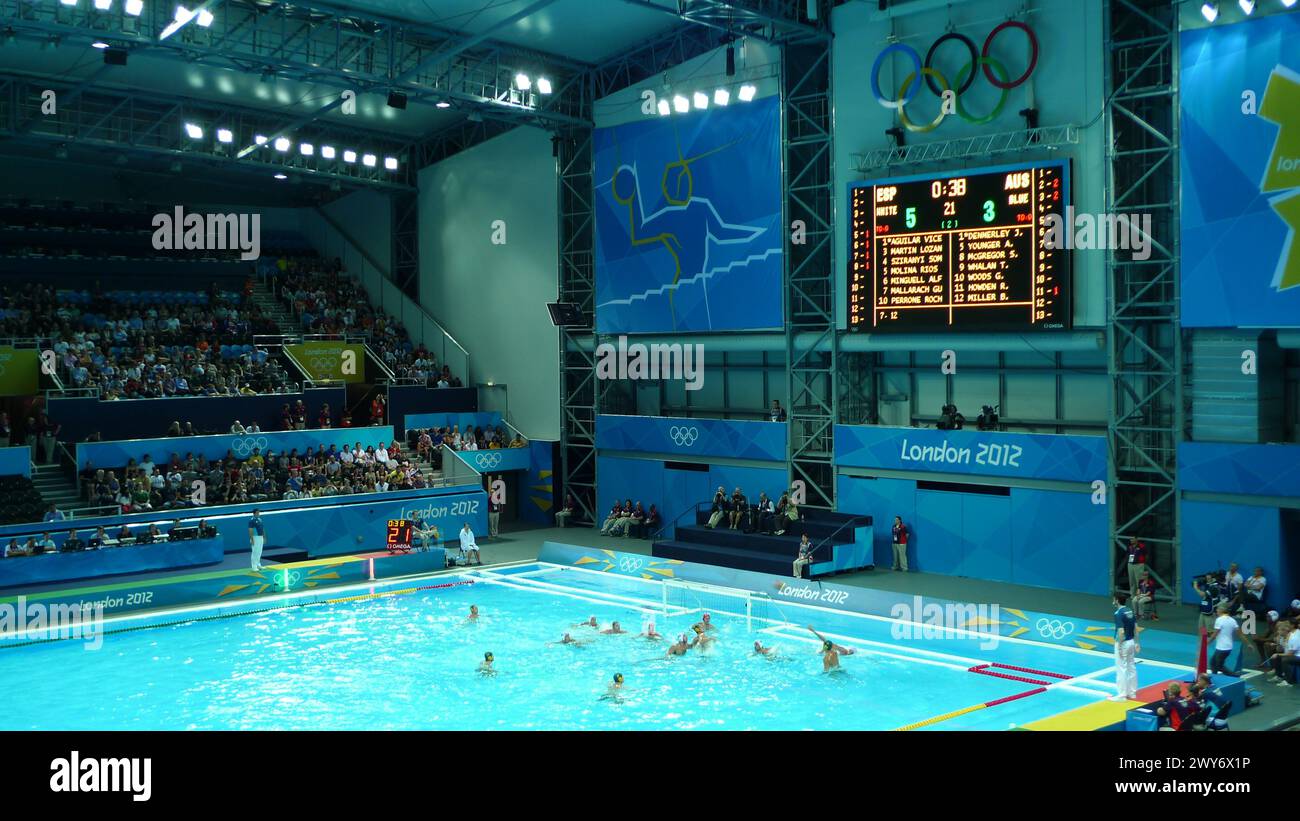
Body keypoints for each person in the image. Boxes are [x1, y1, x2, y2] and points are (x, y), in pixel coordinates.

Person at [1109, 592, 1140, 701]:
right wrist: (1137, 643)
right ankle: (1132, 693)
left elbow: (1121, 632)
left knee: (1121, 668)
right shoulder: (1130, 611)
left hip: (1123, 643)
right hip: (1131, 642)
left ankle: (1122, 695)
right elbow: (1136, 628)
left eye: (1114, 599)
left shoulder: (1118, 613)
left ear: (1117, 600)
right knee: (1131, 667)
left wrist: (1120, 646)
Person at [1264, 619, 1300, 686]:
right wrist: (1278, 643)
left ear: (1285, 631)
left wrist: (1278, 654)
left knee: (1285, 659)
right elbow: (1279, 649)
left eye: (1279, 630)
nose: (1278, 632)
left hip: (1298, 656)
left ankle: (1288, 681)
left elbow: (1290, 654)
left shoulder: (1294, 638)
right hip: (1293, 655)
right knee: (1277, 656)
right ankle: (1279, 676)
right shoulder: (1283, 637)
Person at [1208, 604, 1240, 677]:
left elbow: (1216, 633)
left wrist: (1208, 642)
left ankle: (1234, 675)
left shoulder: (1219, 620)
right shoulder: (1233, 620)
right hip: (1227, 646)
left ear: (1221, 610)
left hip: (1222, 647)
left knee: (1218, 665)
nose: (1216, 611)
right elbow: (1240, 633)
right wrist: (1248, 643)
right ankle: (1214, 676)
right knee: (1213, 662)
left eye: (1218, 609)